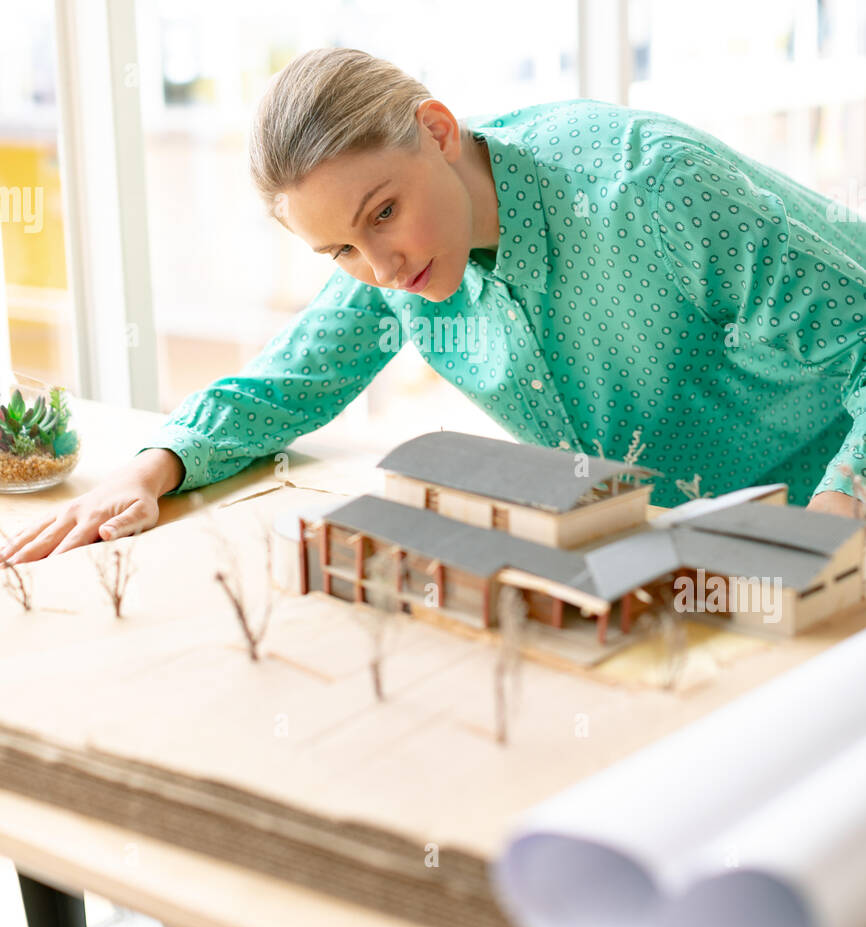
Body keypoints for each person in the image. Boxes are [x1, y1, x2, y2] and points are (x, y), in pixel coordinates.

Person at [2, 45, 865, 565]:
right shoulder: (395, 270)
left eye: (382, 213)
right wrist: (150, 469)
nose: (379, 265)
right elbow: (288, 380)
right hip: (699, 549)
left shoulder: (649, 189)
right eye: (339, 248)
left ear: (440, 131)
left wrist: (831, 525)